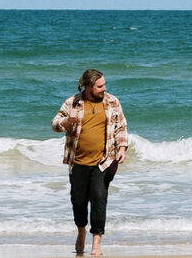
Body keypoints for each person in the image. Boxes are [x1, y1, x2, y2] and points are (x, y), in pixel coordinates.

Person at [52, 69, 129, 256]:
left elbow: (121, 126)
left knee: (99, 199)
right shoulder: (73, 102)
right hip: (77, 161)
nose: (104, 88)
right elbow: (55, 123)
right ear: (88, 87)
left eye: (104, 84)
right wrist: (66, 122)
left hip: (103, 162)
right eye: (100, 86)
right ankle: (81, 231)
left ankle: (96, 243)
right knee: (78, 202)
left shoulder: (112, 102)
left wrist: (121, 148)